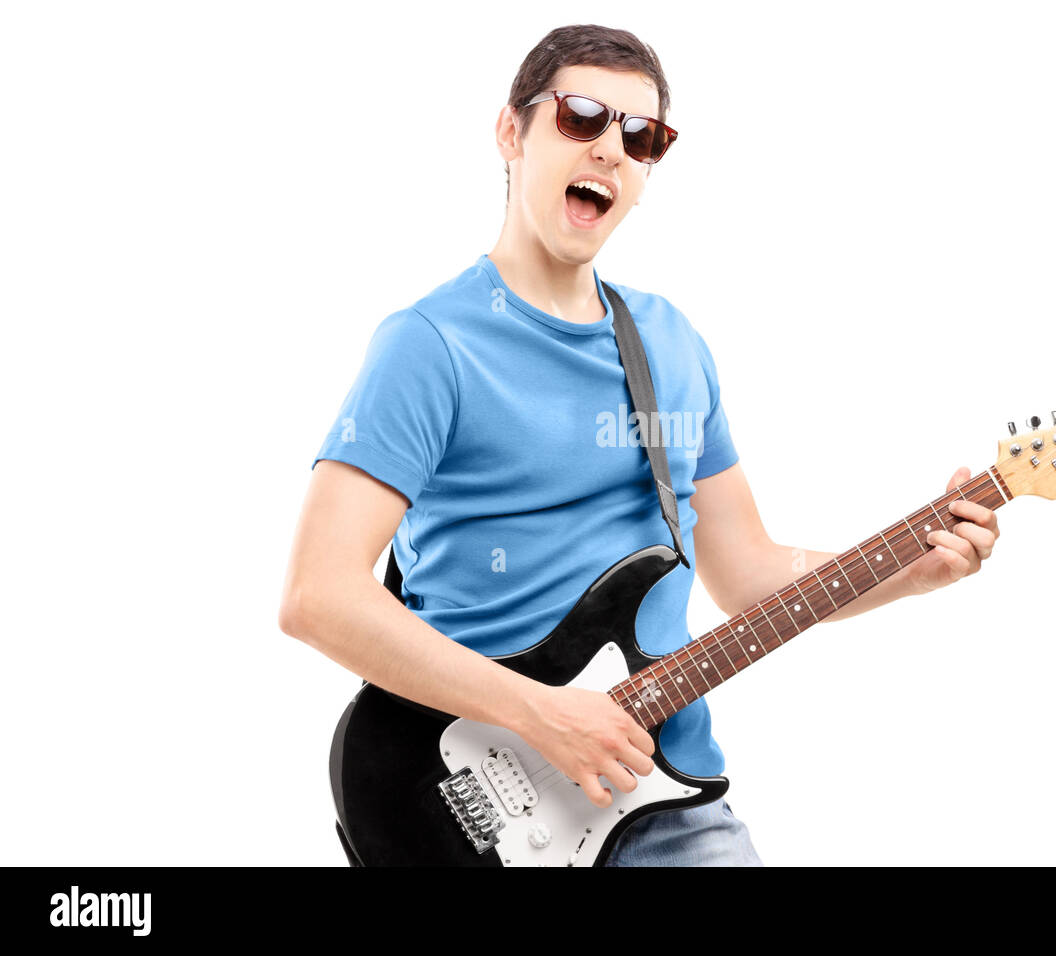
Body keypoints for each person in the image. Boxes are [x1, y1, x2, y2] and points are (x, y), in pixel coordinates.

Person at [277, 23, 1000, 867]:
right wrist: (542, 715)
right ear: (511, 132)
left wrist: (906, 571)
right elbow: (316, 596)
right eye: (581, 117)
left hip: (664, 801)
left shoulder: (671, 346)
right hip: (466, 799)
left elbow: (749, 575)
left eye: (641, 136)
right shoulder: (430, 344)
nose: (612, 149)